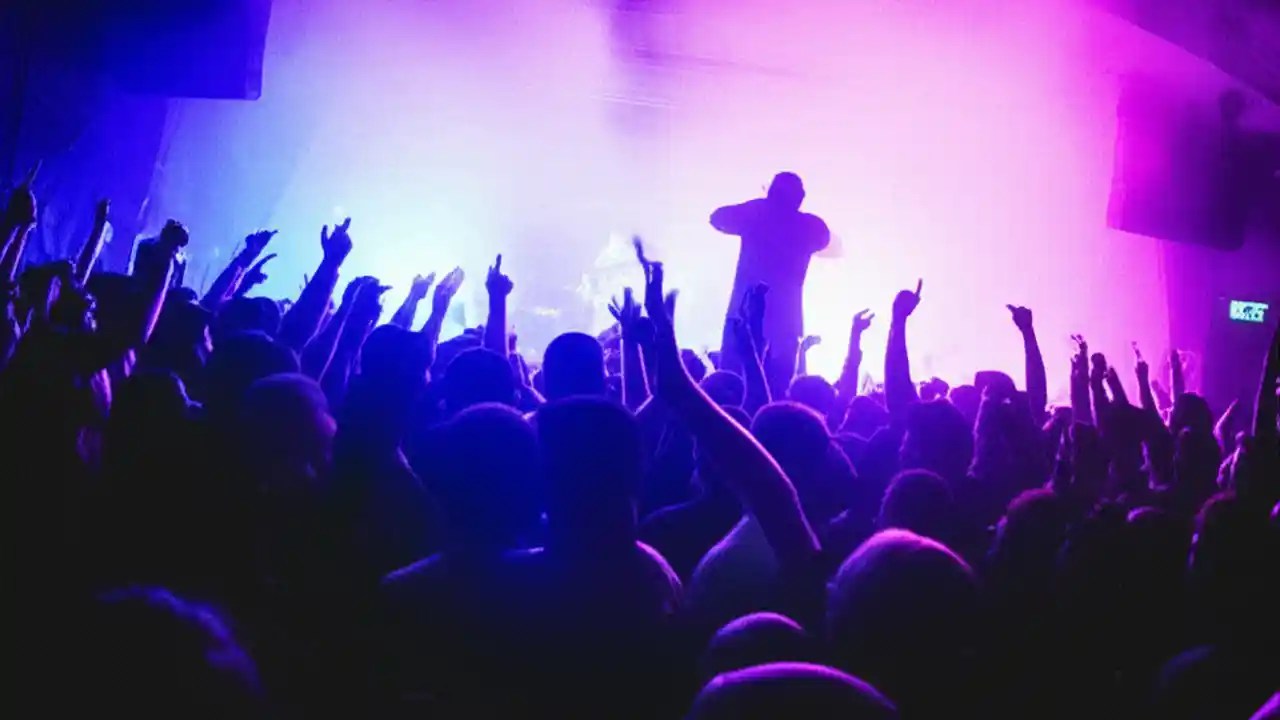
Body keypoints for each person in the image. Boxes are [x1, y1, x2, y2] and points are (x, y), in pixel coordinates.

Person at [711, 172, 832, 392]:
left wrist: (760, 209)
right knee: (778, 387)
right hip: (784, 318)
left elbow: (718, 218)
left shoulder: (757, 215)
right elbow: (824, 239)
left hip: (745, 311)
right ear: (801, 196)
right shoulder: (809, 226)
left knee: (731, 384)